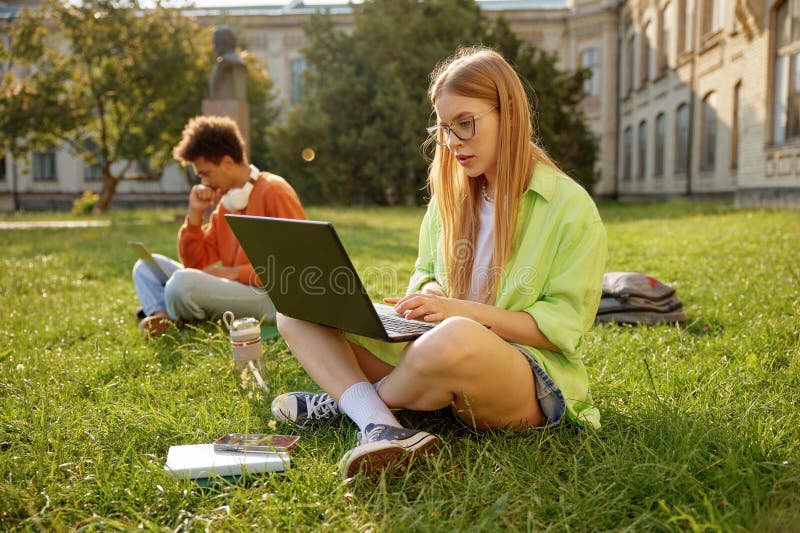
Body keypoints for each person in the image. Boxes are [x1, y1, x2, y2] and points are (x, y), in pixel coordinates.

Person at [271, 47, 607, 478]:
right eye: (444, 128)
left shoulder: (568, 206)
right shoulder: (451, 194)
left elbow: (561, 327)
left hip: (519, 379)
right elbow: (426, 272)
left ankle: (355, 403)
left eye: (464, 124)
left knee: (456, 337)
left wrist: (459, 313)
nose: (452, 143)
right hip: (433, 354)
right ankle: (384, 426)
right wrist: (428, 294)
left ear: (509, 113)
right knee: (298, 309)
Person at [132, 115, 306, 337]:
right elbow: (194, 264)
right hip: (232, 288)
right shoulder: (227, 204)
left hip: (269, 298)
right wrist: (195, 214)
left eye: (206, 174)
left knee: (182, 284)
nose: (204, 183)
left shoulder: (275, 191)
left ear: (227, 163)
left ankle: (172, 312)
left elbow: (297, 265)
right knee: (145, 266)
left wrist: (234, 273)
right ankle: (163, 317)